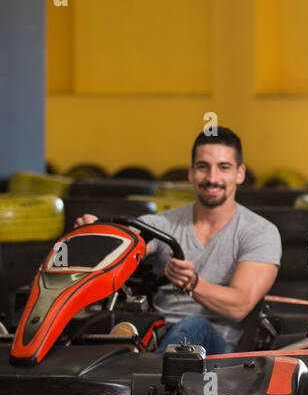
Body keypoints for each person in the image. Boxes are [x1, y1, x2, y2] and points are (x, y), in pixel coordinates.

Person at [74, 126, 280, 355]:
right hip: (158, 332)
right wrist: (96, 235)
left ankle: (147, 375)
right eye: (203, 167)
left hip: (217, 349)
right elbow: (128, 242)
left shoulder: (260, 232)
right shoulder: (164, 224)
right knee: (109, 326)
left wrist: (192, 283)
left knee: (193, 325)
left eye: (223, 168)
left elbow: (240, 305)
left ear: (239, 173)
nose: (212, 178)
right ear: (191, 173)